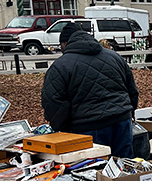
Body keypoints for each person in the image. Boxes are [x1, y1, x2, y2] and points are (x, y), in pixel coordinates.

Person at [41, 23, 139, 157]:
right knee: (124, 169)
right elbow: (131, 89)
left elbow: (53, 102)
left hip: (87, 126)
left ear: (65, 42)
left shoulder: (60, 66)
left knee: (93, 172)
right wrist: (129, 111)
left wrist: (63, 128)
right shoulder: (115, 57)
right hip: (122, 121)